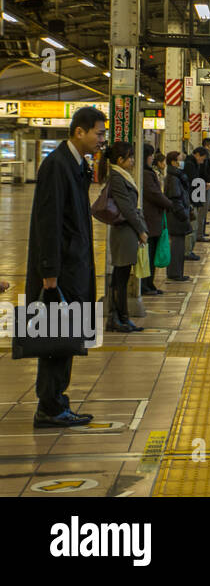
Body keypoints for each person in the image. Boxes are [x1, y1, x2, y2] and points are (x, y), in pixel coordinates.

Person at [26, 106, 106, 427]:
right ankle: (50, 406)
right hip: (60, 273)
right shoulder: (57, 166)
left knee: (66, 336)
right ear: (79, 132)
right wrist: (49, 273)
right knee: (55, 338)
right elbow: (49, 222)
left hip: (73, 267)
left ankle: (57, 401)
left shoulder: (75, 164)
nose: (102, 140)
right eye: (99, 133)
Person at [102, 142, 149, 332]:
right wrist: (141, 230)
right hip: (124, 232)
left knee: (120, 277)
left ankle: (119, 318)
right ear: (120, 160)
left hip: (126, 231)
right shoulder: (117, 177)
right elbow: (127, 208)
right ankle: (120, 318)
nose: (132, 161)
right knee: (120, 278)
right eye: (130, 157)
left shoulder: (120, 175)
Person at [139, 145, 172, 296]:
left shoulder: (147, 172)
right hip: (150, 220)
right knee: (149, 254)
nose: (152, 158)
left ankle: (149, 284)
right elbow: (154, 194)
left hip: (152, 219)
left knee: (151, 255)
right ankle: (145, 286)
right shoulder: (145, 174)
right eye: (151, 155)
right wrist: (169, 204)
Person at [164, 151, 193, 282]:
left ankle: (177, 272)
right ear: (173, 162)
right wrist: (183, 215)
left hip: (177, 216)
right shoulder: (174, 178)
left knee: (178, 246)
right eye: (180, 160)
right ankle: (175, 273)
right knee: (177, 246)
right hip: (177, 217)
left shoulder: (176, 176)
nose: (182, 162)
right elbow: (175, 199)